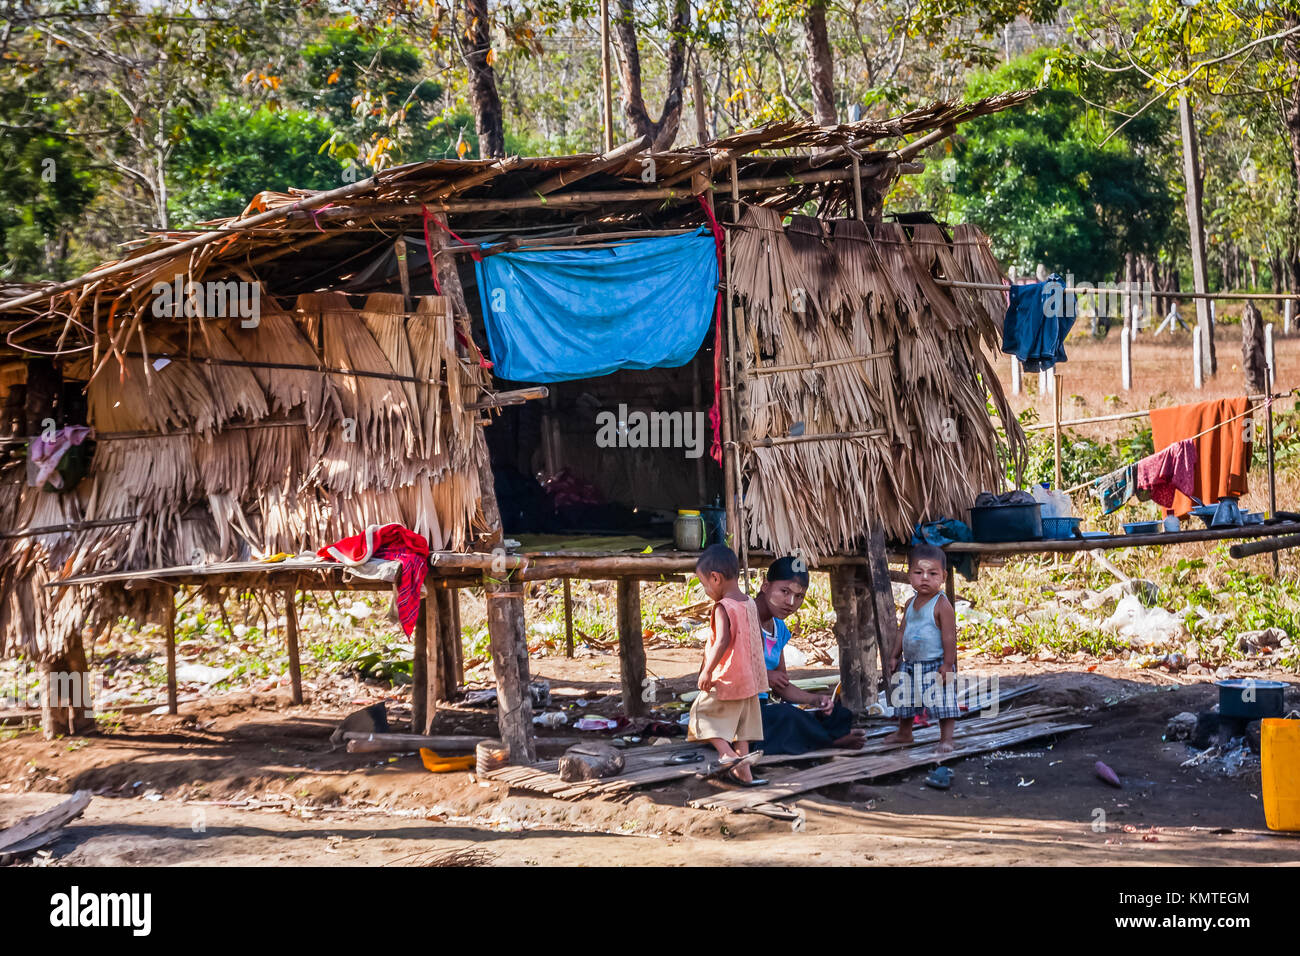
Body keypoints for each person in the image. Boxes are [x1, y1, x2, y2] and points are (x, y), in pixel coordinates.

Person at [755, 557, 866, 753]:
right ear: (765, 585)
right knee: (785, 716)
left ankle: (819, 736)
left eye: (799, 596)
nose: (791, 602)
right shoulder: (743, 618)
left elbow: (782, 687)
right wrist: (764, 676)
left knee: (840, 715)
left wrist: (815, 701)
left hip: (763, 710)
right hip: (738, 711)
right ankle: (827, 741)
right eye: (784, 591)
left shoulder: (779, 628)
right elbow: (723, 673)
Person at [688, 543, 769, 786]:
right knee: (741, 728)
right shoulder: (750, 603)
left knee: (700, 714)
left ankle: (726, 755)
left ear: (715, 578)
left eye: (705, 585)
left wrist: (708, 670)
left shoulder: (723, 607)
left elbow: (722, 640)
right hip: (752, 678)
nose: (706, 590)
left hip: (730, 676)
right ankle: (744, 772)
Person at [885, 543, 959, 754]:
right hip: (910, 663)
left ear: (943, 576)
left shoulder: (941, 604)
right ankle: (904, 733)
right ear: (909, 576)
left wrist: (947, 663)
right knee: (906, 701)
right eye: (918, 572)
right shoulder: (910, 603)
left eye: (932, 573)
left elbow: (949, 636)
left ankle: (946, 739)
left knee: (943, 703)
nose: (925, 577)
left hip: (936, 665)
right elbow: (902, 631)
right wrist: (894, 656)